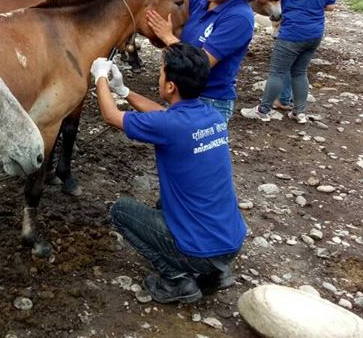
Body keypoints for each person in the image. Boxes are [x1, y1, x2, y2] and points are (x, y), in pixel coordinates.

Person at [89, 44, 247, 304]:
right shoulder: (212, 116)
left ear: (171, 86)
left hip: (201, 250)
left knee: (121, 211)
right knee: (166, 203)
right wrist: (124, 91)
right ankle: (216, 271)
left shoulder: (170, 125)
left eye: (161, 73)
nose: (159, 77)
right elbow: (163, 113)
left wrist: (100, 78)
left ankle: (177, 279)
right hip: (231, 241)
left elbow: (110, 116)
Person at [144, 0, 260, 120]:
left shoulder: (239, 18)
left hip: (210, 101)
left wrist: (168, 37)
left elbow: (200, 64)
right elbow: (186, 35)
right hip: (180, 92)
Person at [242, 0, 336, 123]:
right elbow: (330, 6)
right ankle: (299, 112)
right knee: (300, 72)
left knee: (277, 72)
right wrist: (312, 3)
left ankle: (263, 110)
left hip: (293, 33)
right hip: (315, 34)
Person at [263, 0, 300, 110]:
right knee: (299, 70)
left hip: (291, 27)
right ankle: (297, 107)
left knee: (279, 68)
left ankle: (266, 108)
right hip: (312, 29)